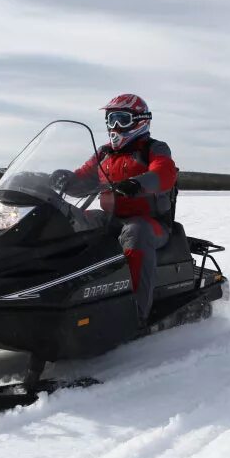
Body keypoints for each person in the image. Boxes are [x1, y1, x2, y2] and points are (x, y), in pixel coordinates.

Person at [52, 94, 178, 325]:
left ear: (140, 121)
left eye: (122, 119)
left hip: (151, 223)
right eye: (111, 120)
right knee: (69, 221)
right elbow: (82, 178)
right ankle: (56, 291)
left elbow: (165, 172)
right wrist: (63, 180)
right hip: (111, 218)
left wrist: (139, 183)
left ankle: (137, 313)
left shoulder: (153, 148)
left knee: (136, 232)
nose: (115, 126)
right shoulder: (104, 153)